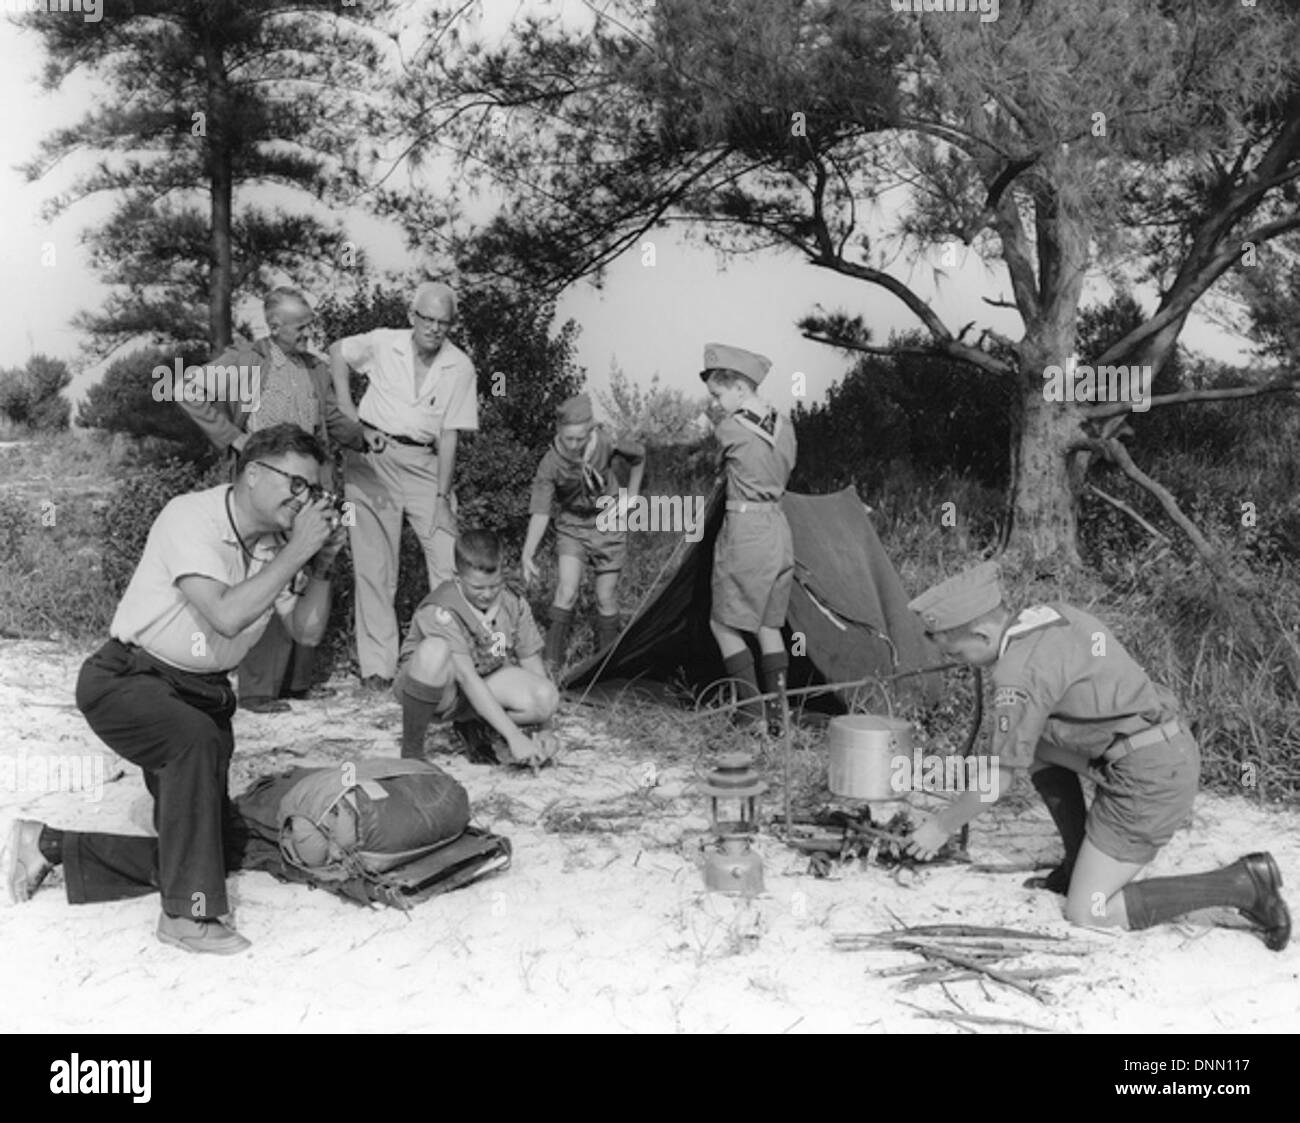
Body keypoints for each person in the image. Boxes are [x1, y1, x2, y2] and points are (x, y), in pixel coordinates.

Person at [0, 425, 347, 954]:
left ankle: (45, 845)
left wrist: (318, 567)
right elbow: (227, 615)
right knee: (193, 741)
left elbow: (307, 630)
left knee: (218, 850)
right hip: (128, 679)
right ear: (254, 474)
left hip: (203, 695)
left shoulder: (279, 549)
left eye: (314, 491)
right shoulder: (192, 516)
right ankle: (187, 918)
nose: (305, 501)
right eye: (297, 485)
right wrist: (298, 552)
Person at [902, 561, 1291, 951]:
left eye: (957, 652)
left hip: (1150, 779)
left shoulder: (1017, 674)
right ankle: (1077, 864)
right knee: (1032, 744)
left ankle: (1243, 884)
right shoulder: (1050, 616)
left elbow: (998, 780)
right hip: (1154, 747)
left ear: (982, 632)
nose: (959, 662)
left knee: (1088, 911)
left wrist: (940, 826)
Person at [178, 285, 369, 712]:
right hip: (265, 490)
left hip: (313, 488)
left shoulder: (316, 369)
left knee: (309, 571)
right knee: (266, 576)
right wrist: (235, 439)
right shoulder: (246, 360)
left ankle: (295, 681)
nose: (308, 333)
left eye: (310, 325)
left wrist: (369, 436)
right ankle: (258, 691)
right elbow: (186, 389)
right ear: (274, 325)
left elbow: (334, 419)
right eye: (300, 327)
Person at [329, 282, 479, 692]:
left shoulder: (460, 367)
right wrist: (346, 412)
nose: (433, 328)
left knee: (448, 561)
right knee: (374, 565)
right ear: (412, 316)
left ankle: (443, 662)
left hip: (424, 462)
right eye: (426, 318)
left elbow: (450, 436)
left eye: (442, 322)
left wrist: (443, 498)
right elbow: (337, 352)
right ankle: (377, 670)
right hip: (371, 457)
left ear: (451, 325)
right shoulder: (383, 342)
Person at [395, 528, 560, 768]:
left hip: (482, 683)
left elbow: (531, 662)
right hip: (439, 690)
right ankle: (411, 752)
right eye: (478, 588)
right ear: (458, 578)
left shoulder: (513, 601)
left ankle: (477, 728)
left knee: (546, 697)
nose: (488, 594)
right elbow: (466, 676)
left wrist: (546, 728)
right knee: (434, 651)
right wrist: (514, 735)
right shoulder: (440, 609)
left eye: (494, 586)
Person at [699, 343, 797, 732]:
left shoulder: (730, 427)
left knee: (722, 624)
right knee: (768, 625)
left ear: (740, 387)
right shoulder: (786, 425)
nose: (717, 403)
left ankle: (750, 714)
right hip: (779, 529)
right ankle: (780, 715)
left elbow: (715, 469)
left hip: (746, 531)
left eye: (719, 394)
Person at [521, 392, 646, 670]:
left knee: (606, 597)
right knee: (566, 590)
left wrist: (633, 495)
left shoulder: (606, 442)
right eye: (569, 439)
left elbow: (639, 457)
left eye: (581, 438)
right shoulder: (550, 463)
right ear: (559, 433)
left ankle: (606, 666)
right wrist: (528, 551)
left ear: (590, 430)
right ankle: (551, 665)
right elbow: (541, 510)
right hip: (573, 526)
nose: (575, 444)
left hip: (608, 521)